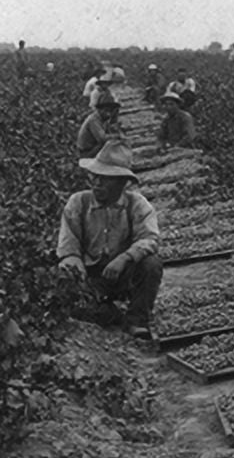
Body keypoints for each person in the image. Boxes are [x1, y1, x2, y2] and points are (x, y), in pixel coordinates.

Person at [56, 140, 163, 338]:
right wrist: (77, 274)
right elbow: (68, 247)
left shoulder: (137, 204)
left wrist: (124, 258)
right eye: (94, 177)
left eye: (105, 179)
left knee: (151, 264)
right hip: (91, 274)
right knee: (66, 285)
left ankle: (136, 320)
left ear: (122, 183)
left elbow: (149, 238)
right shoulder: (78, 203)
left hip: (123, 273)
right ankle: (108, 312)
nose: (97, 183)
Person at [77, 90, 122, 159]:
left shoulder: (103, 118)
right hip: (87, 152)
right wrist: (117, 136)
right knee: (110, 144)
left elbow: (109, 129)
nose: (108, 114)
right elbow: (102, 138)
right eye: (106, 110)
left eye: (110, 111)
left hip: (94, 147)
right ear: (100, 109)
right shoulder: (93, 120)